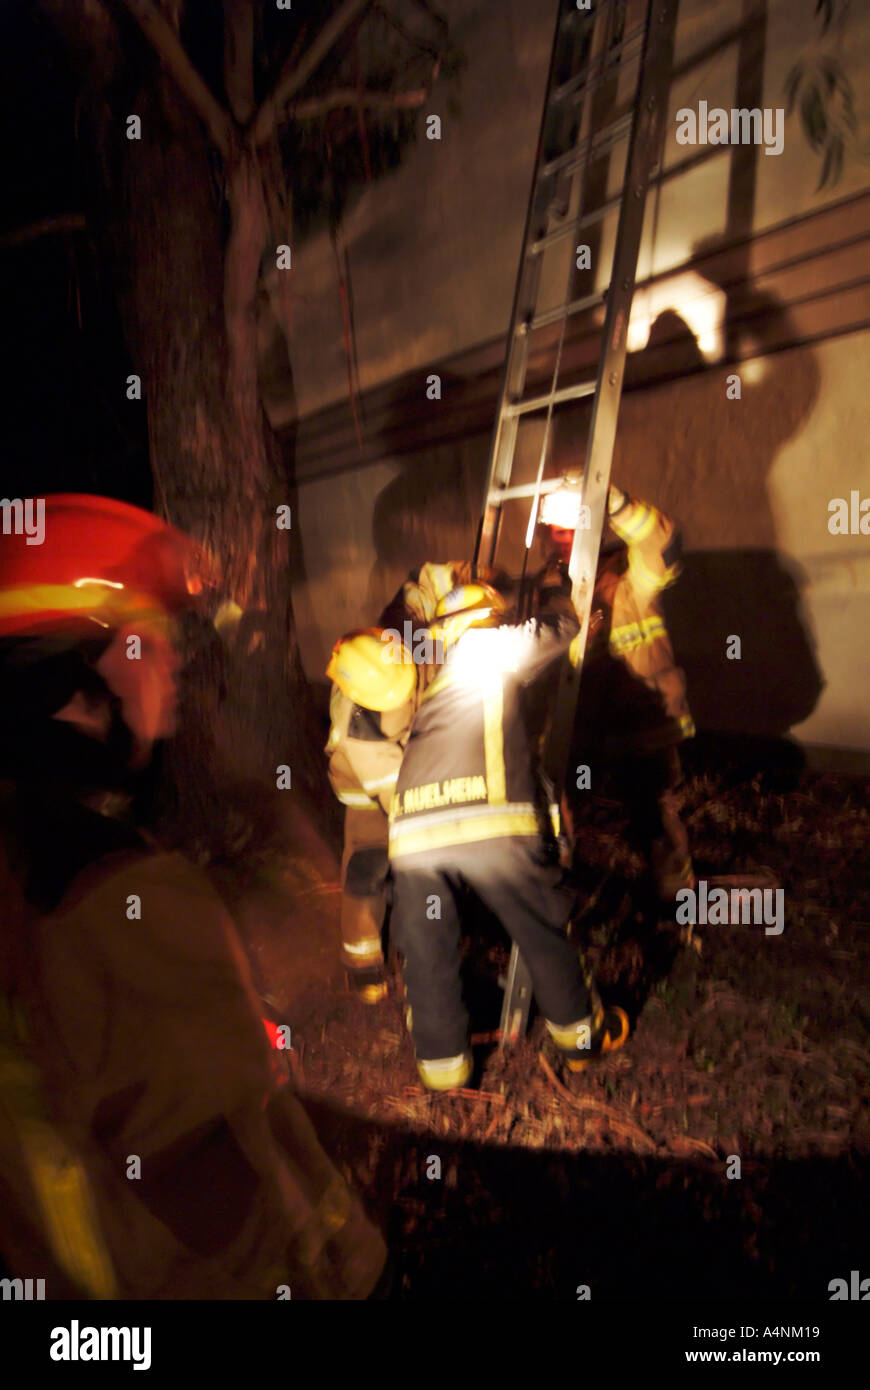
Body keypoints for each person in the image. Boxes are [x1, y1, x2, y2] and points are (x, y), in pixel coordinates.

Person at [0, 494, 386, 1299]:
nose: (174, 663)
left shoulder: (27, 869)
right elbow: (232, 1185)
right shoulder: (116, 899)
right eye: (155, 639)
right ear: (77, 677)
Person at [387, 568, 629, 1092]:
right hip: (488, 824)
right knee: (541, 929)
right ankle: (582, 1042)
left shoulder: (433, 692)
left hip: (411, 837)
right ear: (486, 619)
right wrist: (555, 587)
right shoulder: (489, 651)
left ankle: (445, 1075)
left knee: (428, 951)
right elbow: (564, 627)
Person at [324, 561, 505, 1002]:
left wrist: (459, 573)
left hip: (413, 759)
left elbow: (422, 591)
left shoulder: (392, 646)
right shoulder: (360, 731)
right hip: (367, 792)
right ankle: (362, 964)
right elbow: (399, 801)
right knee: (369, 866)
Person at [540, 474, 695, 902]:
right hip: (581, 721)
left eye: (571, 528)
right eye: (556, 530)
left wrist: (617, 503)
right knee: (555, 801)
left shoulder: (626, 574)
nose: (563, 539)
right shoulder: (550, 586)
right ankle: (560, 892)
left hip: (640, 718)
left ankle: (678, 899)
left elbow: (662, 547)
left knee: (652, 812)